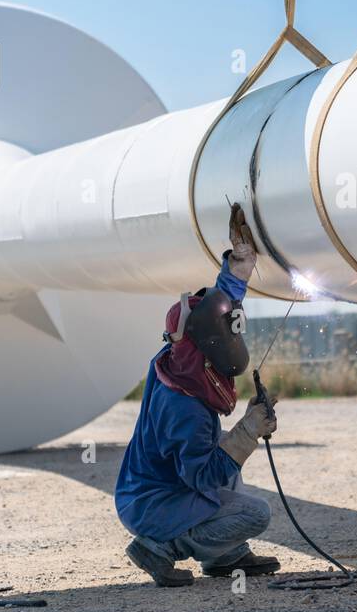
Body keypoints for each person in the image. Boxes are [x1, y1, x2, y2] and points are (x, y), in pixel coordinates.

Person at [115, 206, 280, 586]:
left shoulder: (178, 359)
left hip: (156, 488)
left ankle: (224, 555)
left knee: (229, 462)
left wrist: (238, 269)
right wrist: (248, 431)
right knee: (256, 513)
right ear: (208, 345)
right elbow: (204, 477)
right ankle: (160, 547)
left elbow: (212, 317)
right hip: (153, 505)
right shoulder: (184, 404)